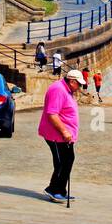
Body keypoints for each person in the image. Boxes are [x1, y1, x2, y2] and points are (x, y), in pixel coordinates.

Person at [38, 68, 85, 202]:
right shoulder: (58, 89)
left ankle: (61, 190)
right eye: (78, 84)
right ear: (71, 81)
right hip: (57, 135)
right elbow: (52, 114)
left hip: (65, 136)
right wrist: (64, 131)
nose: (79, 87)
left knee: (68, 160)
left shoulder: (67, 89)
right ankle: (53, 190)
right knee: (61, 162)